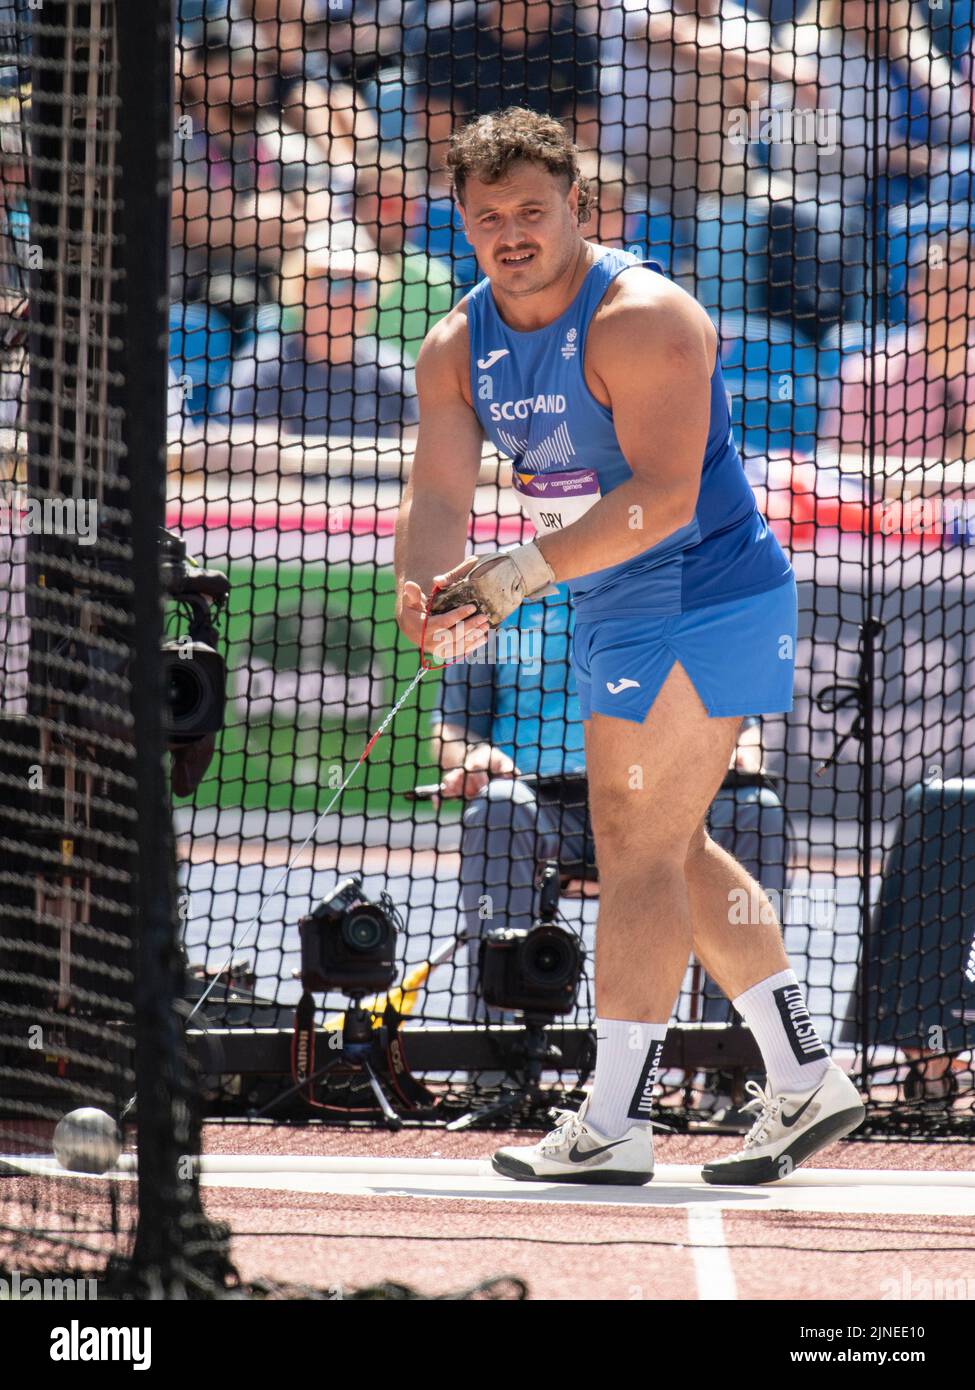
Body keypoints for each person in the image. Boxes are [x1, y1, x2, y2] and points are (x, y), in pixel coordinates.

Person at [394, 107, 864, 1186]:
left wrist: (513, 574)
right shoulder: (456, 344)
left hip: (706, 589)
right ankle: (803, 1073)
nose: (510, 232)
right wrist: (426, 591)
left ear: (580, 207)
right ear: (461, 224)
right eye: (487, 217)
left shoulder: (647, 318)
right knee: (673, 841)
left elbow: (664, 497)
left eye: (530, 210)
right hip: (609, 597)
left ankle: (615, 1120)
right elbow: (438, 494)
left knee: (634, 842)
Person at [211, 247, 419, 438]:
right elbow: (254, 465)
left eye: (362, 284)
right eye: (335, 282)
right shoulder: (263, 367)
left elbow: (416, 453)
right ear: (302, 290)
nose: (350, 296)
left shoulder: (393, 369)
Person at [819, 230, 975, 463]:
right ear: (914, 291)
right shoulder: (866, 377)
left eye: (968, 286)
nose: (958, 297)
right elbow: (843, 482)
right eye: (946, 283)